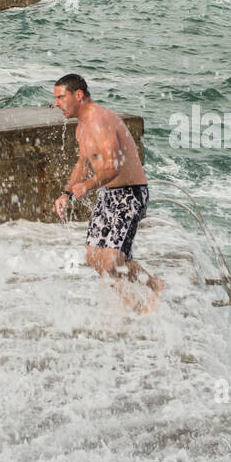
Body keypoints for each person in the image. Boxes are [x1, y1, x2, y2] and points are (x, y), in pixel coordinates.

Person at [53, 73, 164, 311]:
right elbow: (82, 164)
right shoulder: (81, 128)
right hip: (108, 196)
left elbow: (114, 166)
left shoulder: (100, 120)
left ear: (78, 95)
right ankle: (144, 290)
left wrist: (88, 186)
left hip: (130, 194)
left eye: (61, 97)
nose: (57, 103)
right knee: (94, 257)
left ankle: (143, 298)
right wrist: (67, 193)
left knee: (112, 261)